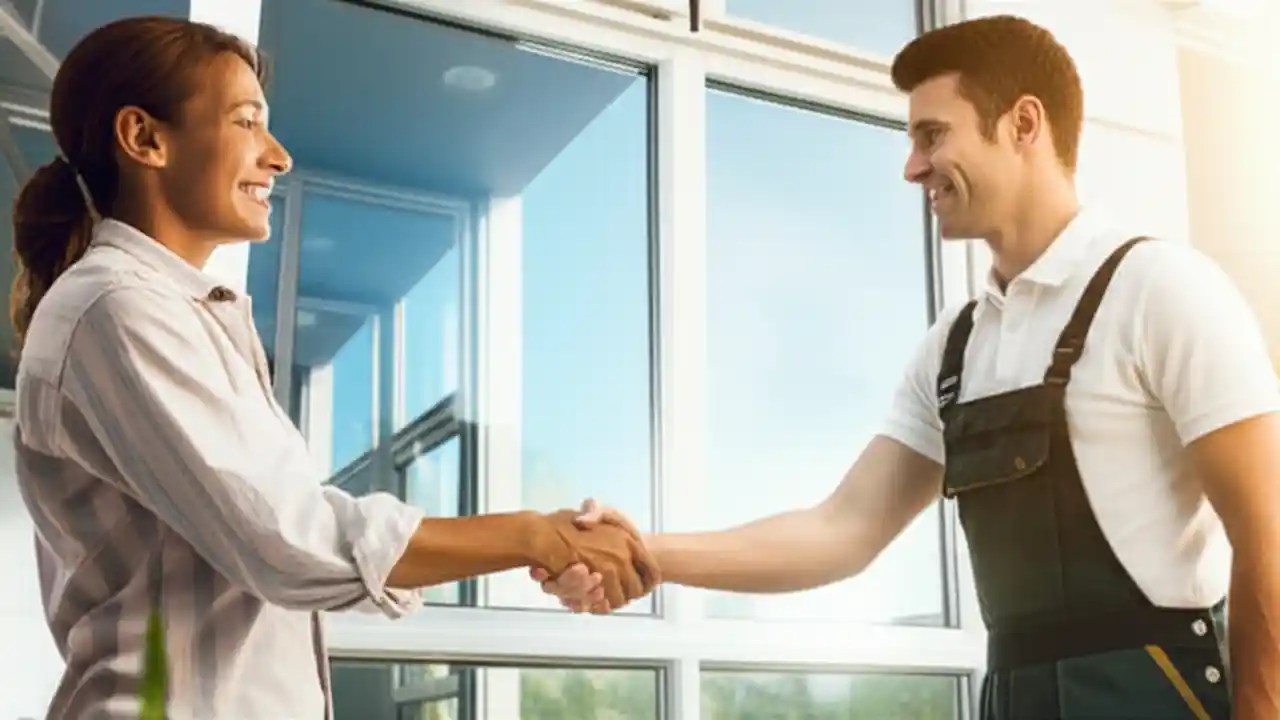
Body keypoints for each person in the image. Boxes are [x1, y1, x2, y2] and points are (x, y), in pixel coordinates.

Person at [534, 15, 1280, 720]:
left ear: (1024, 124)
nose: (912, 167)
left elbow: (1268, 531)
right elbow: (840, 529)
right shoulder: (955, 349)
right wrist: (647, 554)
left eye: (932, 135)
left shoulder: (1159, 290)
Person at [10, 16, 658, 720]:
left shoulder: (169, 311)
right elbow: (287, 538)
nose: (278, 156)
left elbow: (278, 542)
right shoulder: (115, 308)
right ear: (144, 138)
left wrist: (543, 546)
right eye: (247, 121)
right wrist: (533, 536)